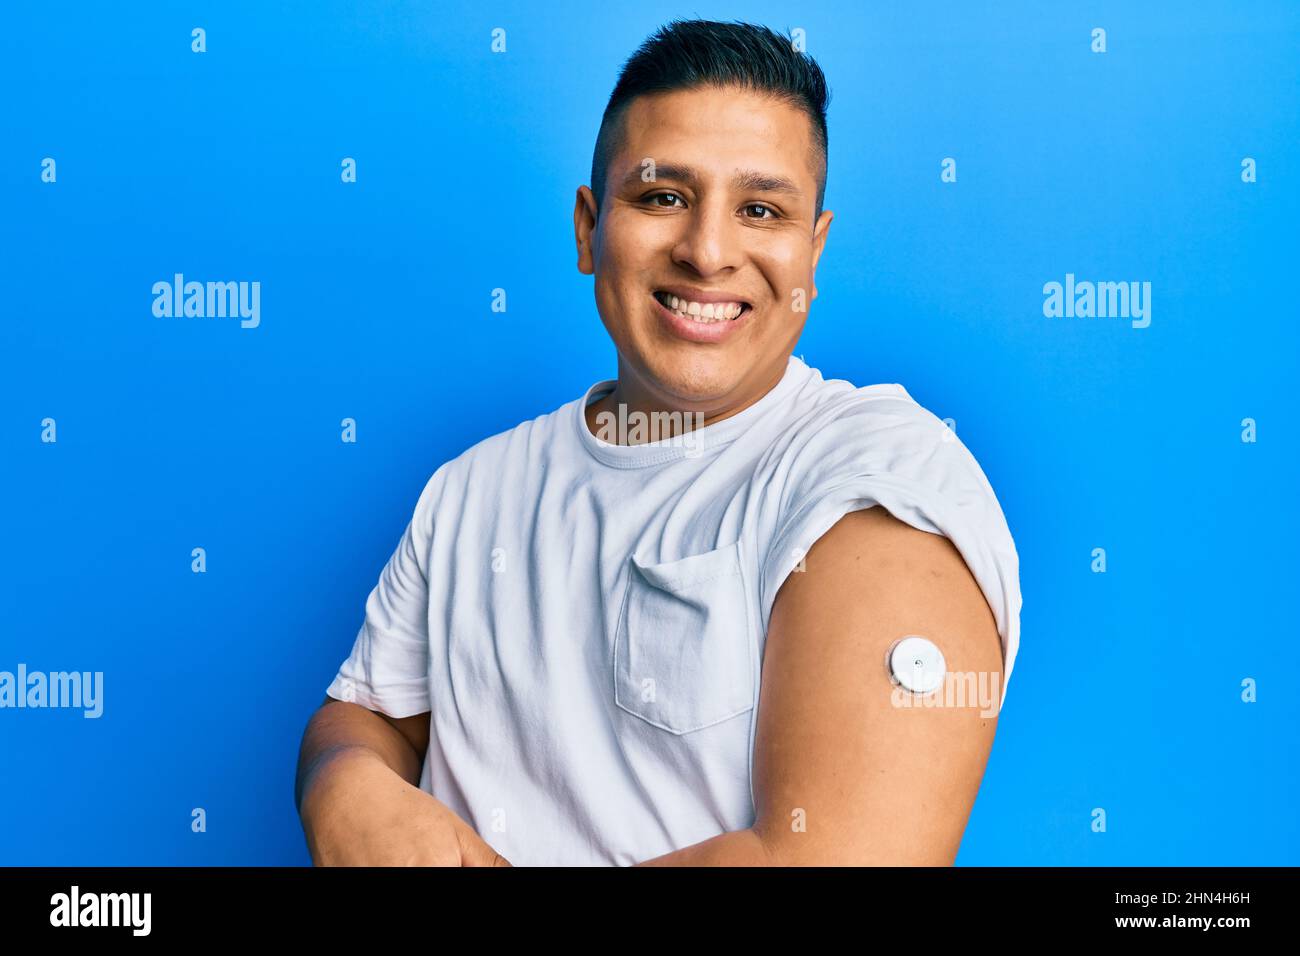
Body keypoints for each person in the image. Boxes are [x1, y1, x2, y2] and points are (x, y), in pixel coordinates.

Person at [294, 18, 1022, 867]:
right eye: (663, 197)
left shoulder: (879, 479)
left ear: (812, 250)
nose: (708, 251)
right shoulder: (471, 488)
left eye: (760, 209)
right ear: (587, 229)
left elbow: (838, 858)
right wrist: (340, 778)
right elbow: (373, 712)